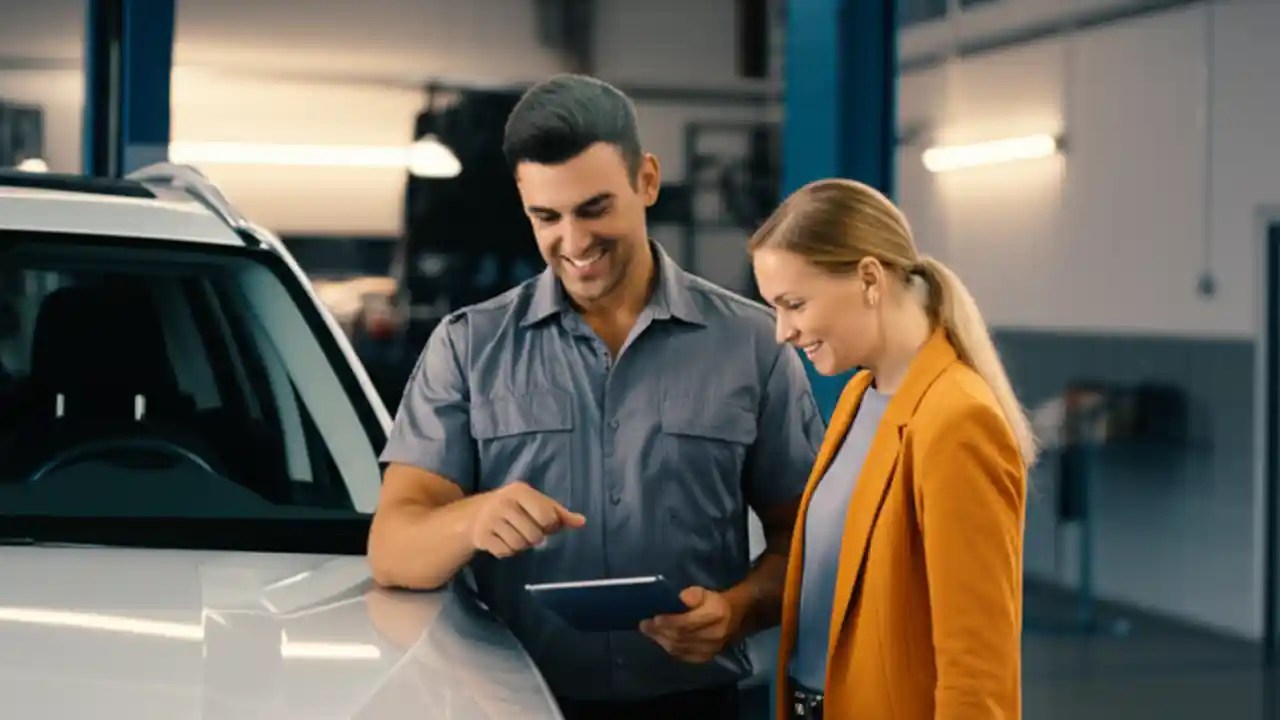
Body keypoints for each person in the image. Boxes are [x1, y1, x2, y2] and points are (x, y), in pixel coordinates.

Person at [367, 73, 825, 720]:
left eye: (594, 209)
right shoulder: (467, 349)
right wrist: (471, 519)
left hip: (694, 705)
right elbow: (393, 549)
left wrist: (738, 611)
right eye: (546, 218)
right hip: (512, 705)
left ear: (646, 180)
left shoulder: (754, 345)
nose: (574, 243)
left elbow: (803, 543)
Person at [748, 178, 1035, 720]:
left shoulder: (957, 419)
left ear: (869, 279)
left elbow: (977, 667)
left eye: (795, 304)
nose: (782, 331)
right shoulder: (862, 395)